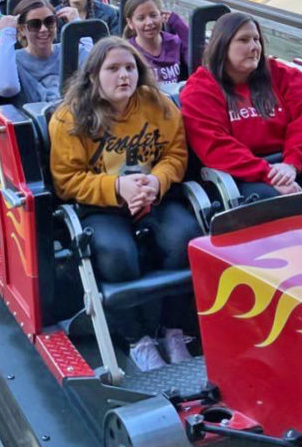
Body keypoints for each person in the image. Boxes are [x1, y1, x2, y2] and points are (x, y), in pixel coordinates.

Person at [48, 37, 199, 371]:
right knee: (118, 254)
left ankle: (173, 331)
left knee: (185, 237)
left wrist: (157, 181)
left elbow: (175, 154)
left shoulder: (157, 104)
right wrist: (117, 187)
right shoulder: (70, 118)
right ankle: (136, 338)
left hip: (152, 196)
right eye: (113, 69)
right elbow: (66, 181)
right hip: (101, 206)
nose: (124, 76)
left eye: (130, 68)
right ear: (93, 75)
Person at [180, 11, 302, 199]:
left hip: (289, 163)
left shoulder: (281, 75)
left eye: (256, 39)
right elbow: (216, 147)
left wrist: (292, 164)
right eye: (243, 40)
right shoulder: (200, 90)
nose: (254, 47)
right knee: (268, 201)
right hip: (239, 175)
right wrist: (268, 174)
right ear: (222, 46)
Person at [0, 0, 63, 103]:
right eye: (34, 24)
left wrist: (76, 23)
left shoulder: (70, 51)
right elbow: (5, 88)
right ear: (22, 30)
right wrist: (7, 33)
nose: (43, 29)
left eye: (49, 21)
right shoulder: (11, 61)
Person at [122, 0, 188, 91]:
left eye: (153, 15)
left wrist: (178, 23)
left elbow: (199, 59)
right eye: (141, 19)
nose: (149, 22)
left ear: (161, 16)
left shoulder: (175, 42)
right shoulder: (128, 52)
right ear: (130, 23)